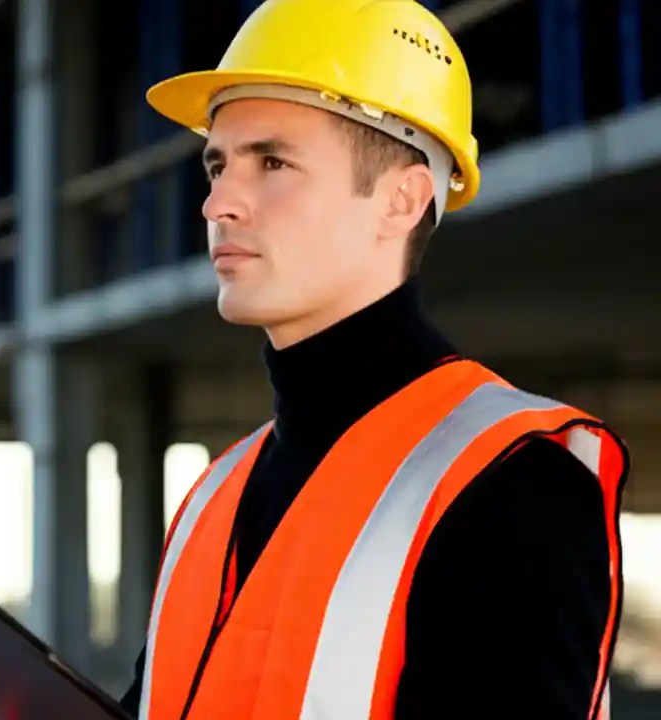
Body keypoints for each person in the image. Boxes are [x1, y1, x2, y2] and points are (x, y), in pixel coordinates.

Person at [116, 1, 630, 718]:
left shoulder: (515, 481)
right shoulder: (214, 496)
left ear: (401, 199)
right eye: (217, 165)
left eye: (272, 162)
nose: (218, 203)